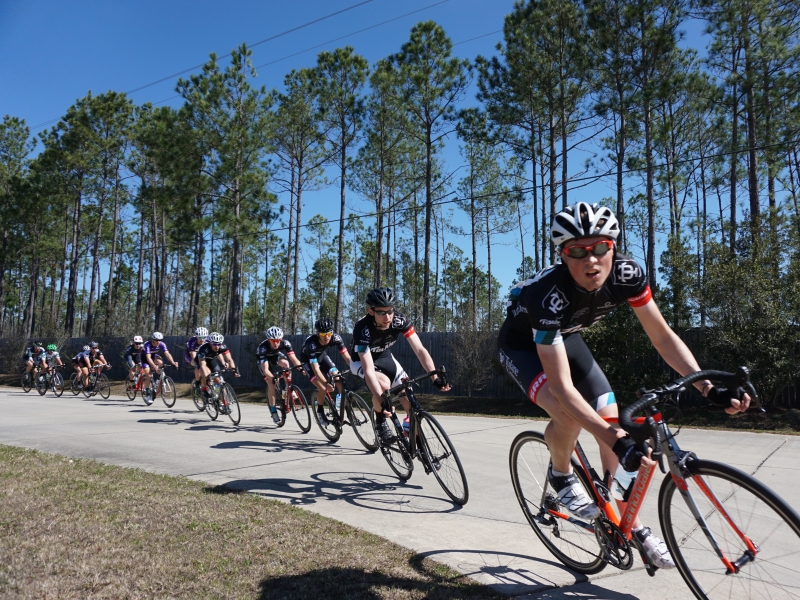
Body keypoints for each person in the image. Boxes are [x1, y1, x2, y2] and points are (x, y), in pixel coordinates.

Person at [498, 202, 752, 569]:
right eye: (577, 251)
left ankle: (630, 526)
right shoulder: (547, 295)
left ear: (613, 247)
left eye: (600, 247)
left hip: (567, 337)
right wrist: (615, 439)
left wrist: (709, 389)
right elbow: (564, 389)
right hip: (523, 346)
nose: (591, 260)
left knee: (611, 420)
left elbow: (662, 337)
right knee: (569, 413)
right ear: (563, 256)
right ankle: (561, 475)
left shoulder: (627, 274)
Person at [350, 287, 450, 444]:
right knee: (383, 385)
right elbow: (368, 370)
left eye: (390, 311)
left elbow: (420, 350)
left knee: (409, 397)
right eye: (381, 312)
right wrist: (382, 401)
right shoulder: (362, 328)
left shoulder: (399, 320)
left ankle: (416, 440)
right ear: (371, 311)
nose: (387, 317)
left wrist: (435, 377)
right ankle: (380, 422)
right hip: (361, 361)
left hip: (384, 356)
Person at [301, 317, 353, 426]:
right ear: (317, 334)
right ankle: (320, 411)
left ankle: (344, 408)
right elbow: (315, 369)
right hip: (308, 361)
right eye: (323, 334)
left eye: (329, 333)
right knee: (323, 388)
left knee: (338, 378)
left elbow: (347, 358)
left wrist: (357, 369)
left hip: (322, 356)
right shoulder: (311, 343)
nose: (327, 337)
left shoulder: (336, 338)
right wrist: (325, 383)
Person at [256, 326, 302, 424]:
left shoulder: (285, 343)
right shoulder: (262, 348)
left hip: (275, 355)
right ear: (268, 340)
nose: (276, 343)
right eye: (273, 341)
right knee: (272, 384)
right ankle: (273, 411)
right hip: (264, 360)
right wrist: (272, 378)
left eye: (278, 340)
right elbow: (265, 370)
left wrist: (301, 368)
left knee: (286, 364)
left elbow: (294, 359)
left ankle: (287, 388)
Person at [193, 332, 239, 402]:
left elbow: (229, 359)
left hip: (211, 360)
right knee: (206, 373)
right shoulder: (204, 349)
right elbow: (203, 365)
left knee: (217, 380)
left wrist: (234, 370)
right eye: (214, 344)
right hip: (201, 361)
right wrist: (207, 378)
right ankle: (204, 389)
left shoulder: (223, 347)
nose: (217, 346)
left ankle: (221, 400)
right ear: (210, 343)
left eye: (219, 344)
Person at [140, 332, 179, 406]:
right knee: (148, 375)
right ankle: (148, 394)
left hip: (154, 356)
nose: (158, 342)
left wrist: (173, 362)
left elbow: (167, 354)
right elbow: (148, 358)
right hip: (145, 358)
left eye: (160, 340)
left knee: (160, 363)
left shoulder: (161, 344)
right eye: (157, 340)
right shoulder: (147, 345)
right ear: (153, 340)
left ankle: (158, 379)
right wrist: (153, 365)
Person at [185, 327, 209, 393]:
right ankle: (197, 382)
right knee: (197, 363)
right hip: (190, 355)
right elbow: (193, 356)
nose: (202, 339)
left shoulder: (208, 339)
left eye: (204, 337)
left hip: (202, 354)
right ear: (196, 337)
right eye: (200, 338)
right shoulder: (192, 341)